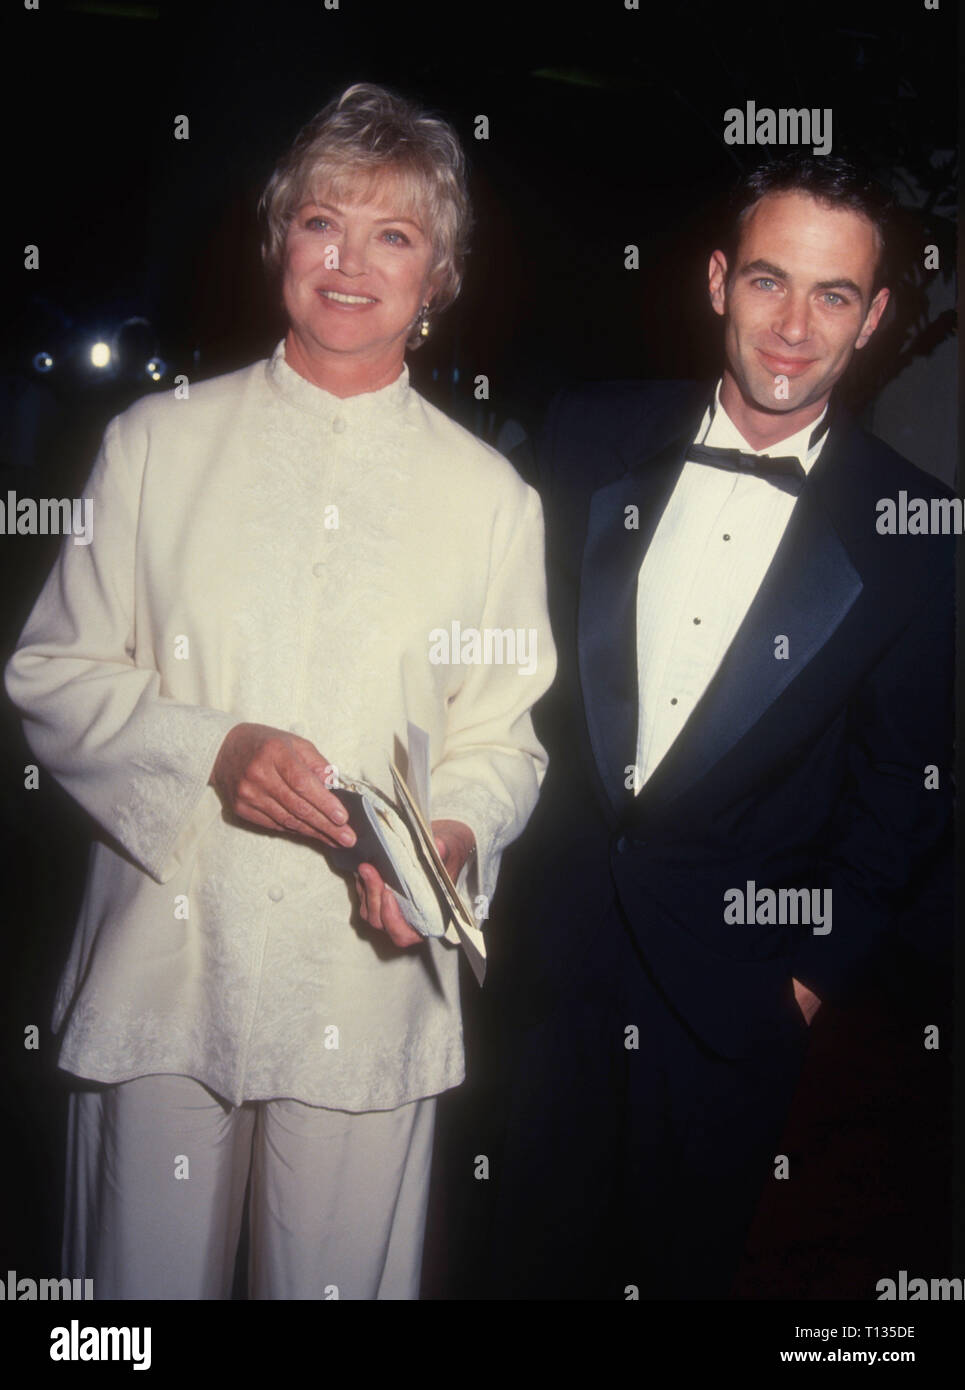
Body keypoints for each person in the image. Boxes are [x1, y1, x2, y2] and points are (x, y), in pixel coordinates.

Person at [4, 82, 555, 1301]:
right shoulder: (154, 443)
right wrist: (209, 749)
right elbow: (51, 667)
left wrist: (445, 841)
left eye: (394, 235)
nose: (350, 262)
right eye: (321, 223)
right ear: (277, 242)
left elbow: (500, 741)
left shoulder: (491, 500)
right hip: (162, 956)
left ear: (439, 276)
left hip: (366, 972)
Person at [484, 155, 954, 1299]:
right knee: (504, 1263)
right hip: (540, 974)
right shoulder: (586, 434)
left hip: (731, 1003)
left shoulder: (916, 529)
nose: (792, 329)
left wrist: (807, 976)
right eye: (765, 282)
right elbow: (501, 664)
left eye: (832, 295)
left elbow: (900, 788)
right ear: (713, 283)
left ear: (875, 316)